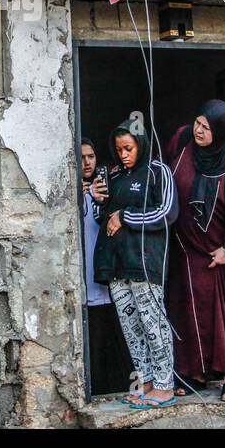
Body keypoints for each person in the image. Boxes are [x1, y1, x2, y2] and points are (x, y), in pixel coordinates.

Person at [163, 100, 225, 401]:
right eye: (198, 123)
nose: (199, 130)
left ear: (220, 130)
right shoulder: (182, 143)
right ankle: (195, 373)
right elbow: (161, 175)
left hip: (219, 252)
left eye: (206, 127)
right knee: (188, 312)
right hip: (186, 249)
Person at [92, 112, 178, 408]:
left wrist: (126, 216)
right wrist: (98, 199)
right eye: (119, 150)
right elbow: (101, 219)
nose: (124, 154)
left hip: (144, 263)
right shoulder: (115, 176)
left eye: (129, 148)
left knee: (153, 323)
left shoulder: (158, 172)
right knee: (132, 328)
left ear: (141, 144)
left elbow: (167, 212)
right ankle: (148, 382)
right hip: (116, 264)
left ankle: (166, 386)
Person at [78, 137, 132, 396]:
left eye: (91, 156)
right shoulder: (71, 195)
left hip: (102, 279)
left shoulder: (103, 192)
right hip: (80, 282)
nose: (87, 162)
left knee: (109, 340)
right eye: (81, 157)